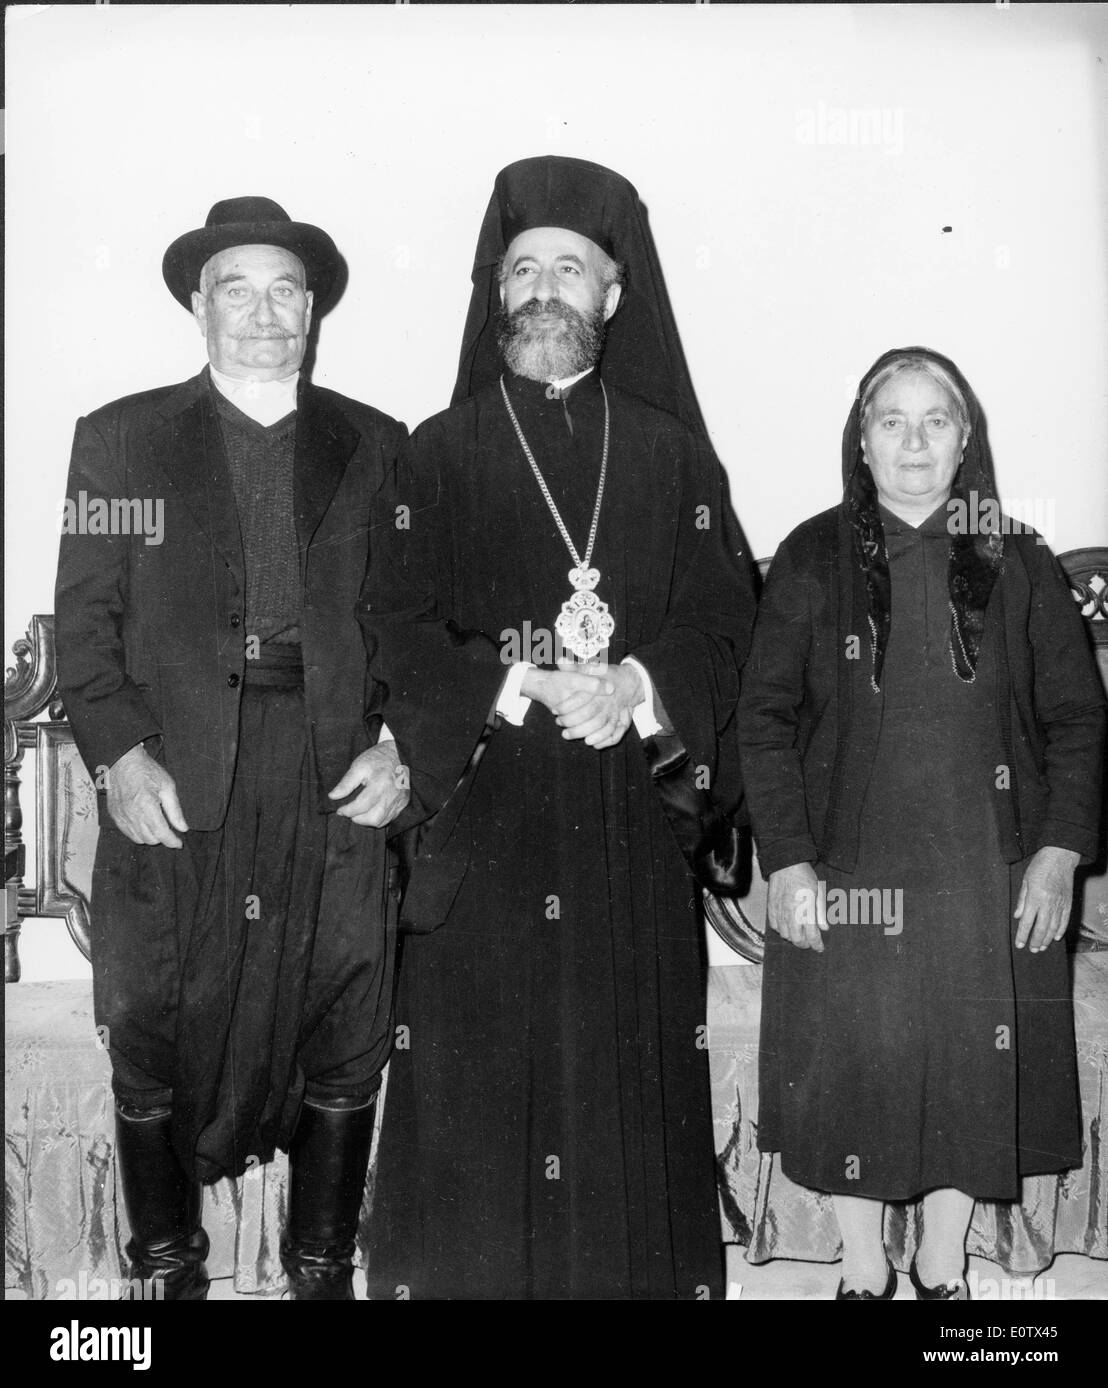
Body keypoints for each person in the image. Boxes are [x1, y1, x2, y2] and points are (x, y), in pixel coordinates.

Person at [359, 156, 756, 1300]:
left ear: (613, 297)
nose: (543, 288)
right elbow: (392, 615)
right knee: (481, 1081)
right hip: (484, 817)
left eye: (568, 269)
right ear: (497, 295)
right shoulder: (433, 452)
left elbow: (726, 615)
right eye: (522, 269)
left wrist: (637, 684)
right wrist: (512, 682)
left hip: (626, 818)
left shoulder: (676, 455)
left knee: (620, 1074)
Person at [54, 197, 409, 1300]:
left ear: (313, 310)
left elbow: (416, 622)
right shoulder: (119, 441)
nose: (263, 311)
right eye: (237, 289)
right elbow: (84, 623)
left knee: (345, 1009)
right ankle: (167, 1269)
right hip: (179, 769)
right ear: (197, 306)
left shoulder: (379, 445)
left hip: (333, 772)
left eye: (285, 289)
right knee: (152, 1014)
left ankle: (316, 1271)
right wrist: (118, 756)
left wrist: (401, 743)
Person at [736, 347, 1106, 1299]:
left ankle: (943, 1268)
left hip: (989, 860)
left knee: (967, 1056)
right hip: (849, 864)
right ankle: (865, 1270)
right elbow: (764, 718)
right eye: (890, 420)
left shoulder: (1015, 554)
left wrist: (1060, 853)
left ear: (965, 436)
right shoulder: (814, 556)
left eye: (934, 419)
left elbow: (1077, 717)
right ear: (861, 441)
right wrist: (788, 862)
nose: (912, 440)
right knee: (860, 1054)